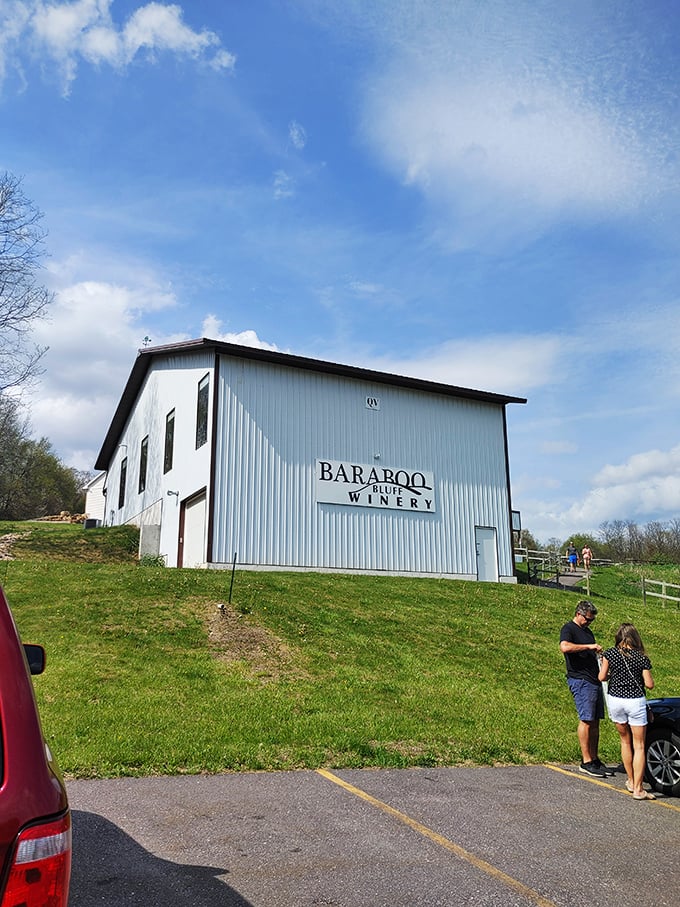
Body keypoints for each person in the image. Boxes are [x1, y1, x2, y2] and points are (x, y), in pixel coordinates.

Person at [598, 624, 655, 800]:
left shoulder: (610, 654)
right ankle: (638, 789)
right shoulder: (641, 658)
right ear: (635, 638)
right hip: (635, 701)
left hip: (615, 699)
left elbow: (602, 677)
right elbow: (649, 684)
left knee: (625, 741)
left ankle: (630, 780)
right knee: (639, 745)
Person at [559, 601, 612, 777]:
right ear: (579, 614)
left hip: (594, 679)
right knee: (586, 719)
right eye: (588, 619)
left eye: (592, 620)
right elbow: (565, 647)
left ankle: (595, 759)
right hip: (580, 680)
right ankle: (586, 760)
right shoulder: (569, 628)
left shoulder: (588, 632)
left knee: (596, 720)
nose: (589, 623)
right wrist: (588, 646)